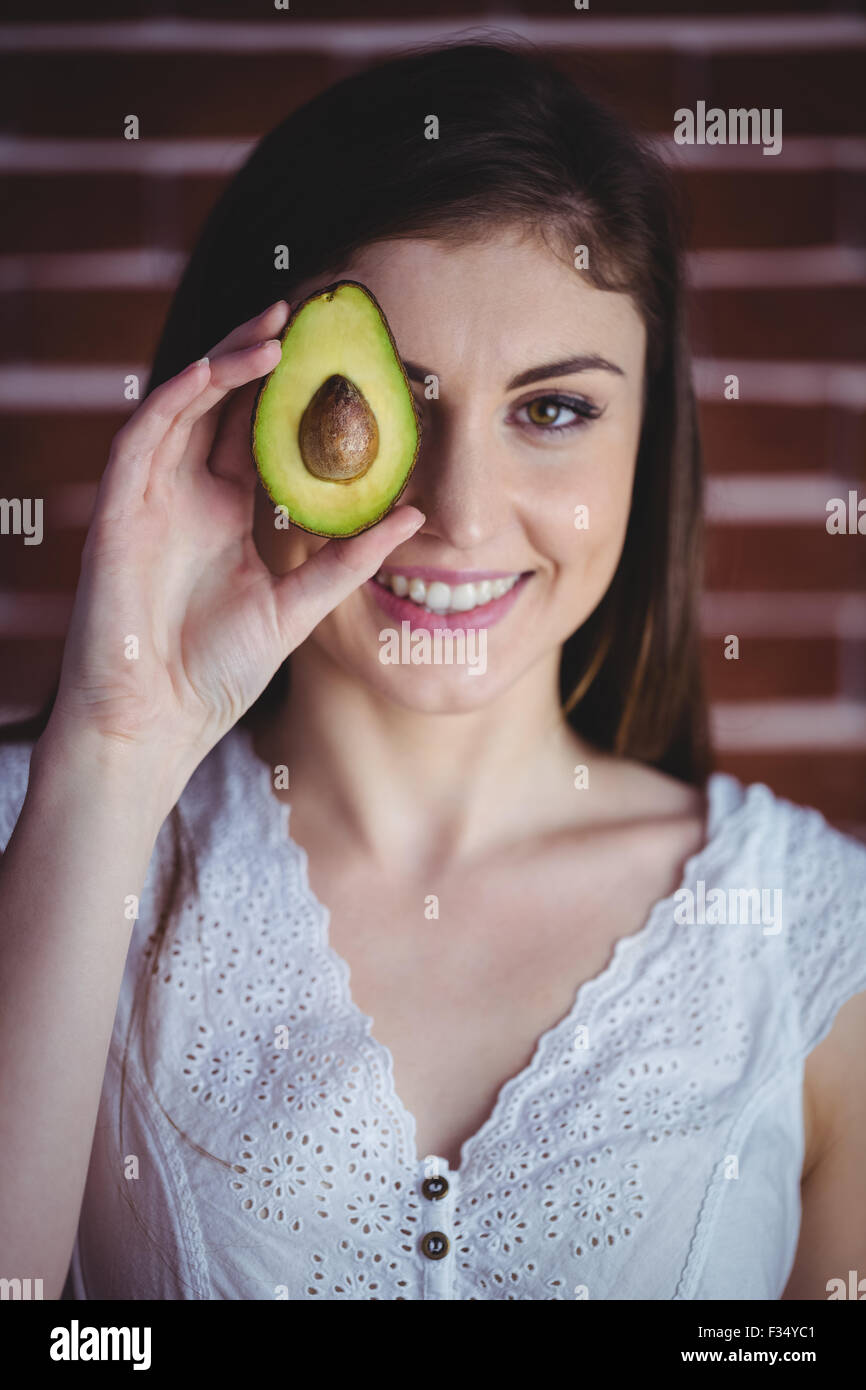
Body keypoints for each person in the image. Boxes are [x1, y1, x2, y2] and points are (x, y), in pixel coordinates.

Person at [1, 41, 864, 1303]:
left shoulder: (816, 935)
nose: (459, 515)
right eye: (381, 402)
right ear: (236, 417)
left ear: (644, 444)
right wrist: (116, 747)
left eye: (553, 410)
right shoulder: (44, 832)